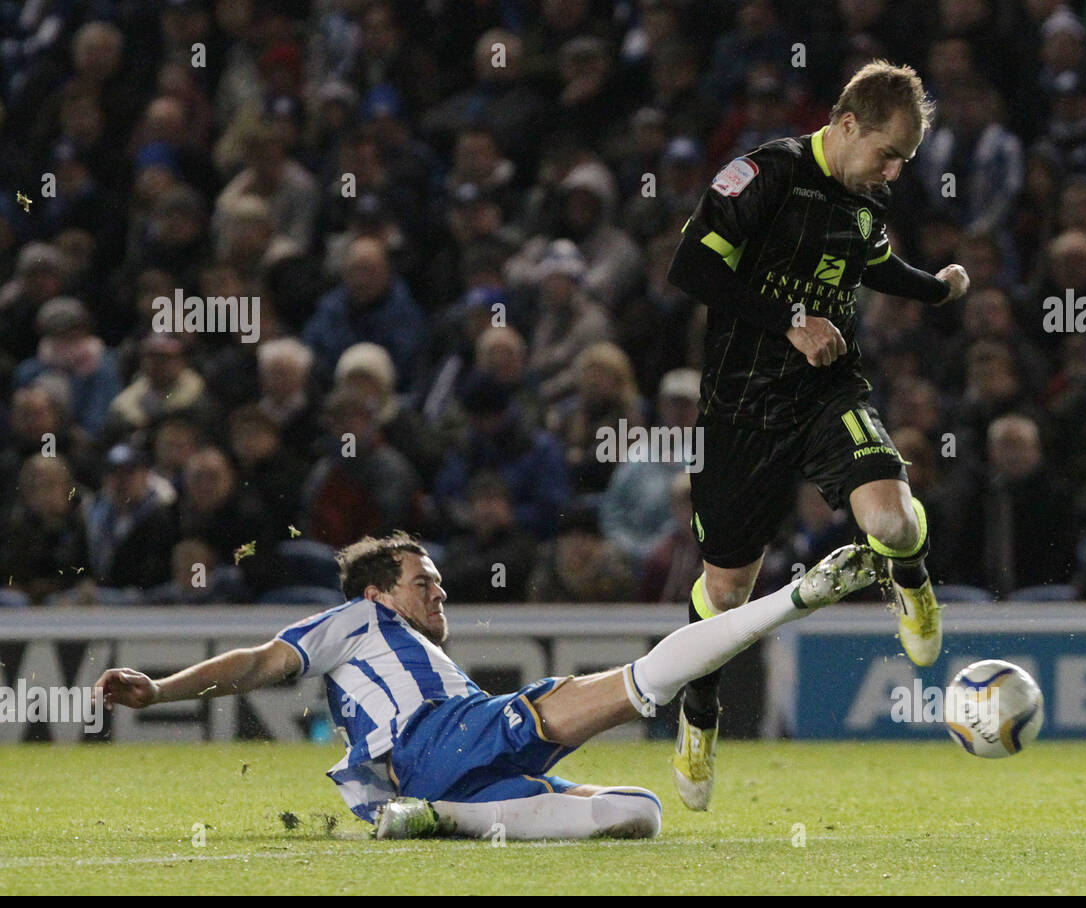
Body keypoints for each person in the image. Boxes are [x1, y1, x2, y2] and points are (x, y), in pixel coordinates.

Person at [93, 532, 879, 841]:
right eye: (422, 583)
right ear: (378, 593)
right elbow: (260, 663)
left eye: (439, 583)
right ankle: (793, 598)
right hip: (435, 736)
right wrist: (159, 691)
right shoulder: (355, 623)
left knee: (640, 815)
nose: (439, 594)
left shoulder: (427, 652)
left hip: (456, 754)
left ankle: (441, 819)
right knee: (631, 684)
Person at [663, 60, 969, 809]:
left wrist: (936, 288)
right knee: (727, 591)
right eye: (888, 153)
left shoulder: (864, 204)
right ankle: (699, 716)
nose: (893, 172)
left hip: (827, 390)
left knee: (893, 520)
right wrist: (793, 322)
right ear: (847, 124)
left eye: (905, 160)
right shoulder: (764, 174)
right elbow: (689, 270)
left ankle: (911, 581)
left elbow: (874, 265)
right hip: (741, 406)